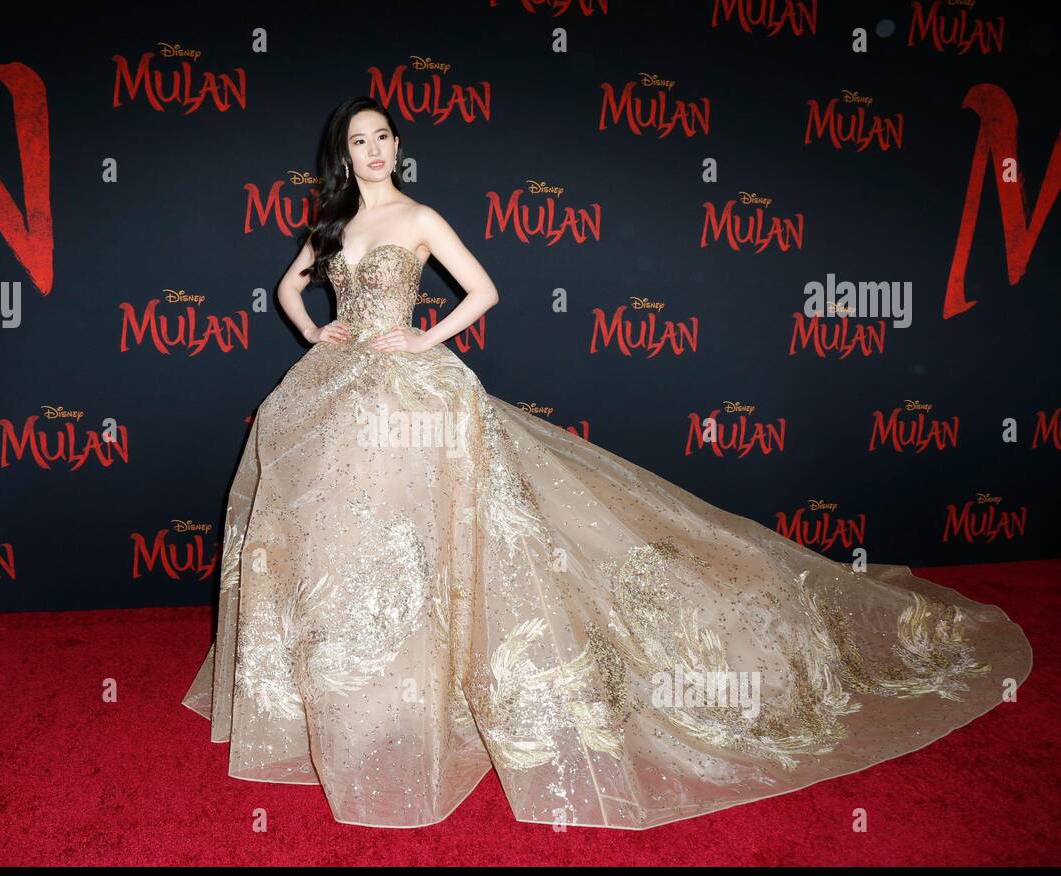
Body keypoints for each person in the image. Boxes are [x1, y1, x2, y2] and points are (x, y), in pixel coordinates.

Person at [181, 96, 1033, 830]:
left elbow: (484, 291)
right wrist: (312, 327)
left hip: (415, 395)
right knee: (351, 547)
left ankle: (437, 694)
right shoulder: (330, 223)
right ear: (343, 153)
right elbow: (293, 286)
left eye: (383, 136)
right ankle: (360, 700)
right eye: (359, 139)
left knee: (431, 541)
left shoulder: (419, 220)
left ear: (399, 147)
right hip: (336, 395)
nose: (373, 150)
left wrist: (421, 336)